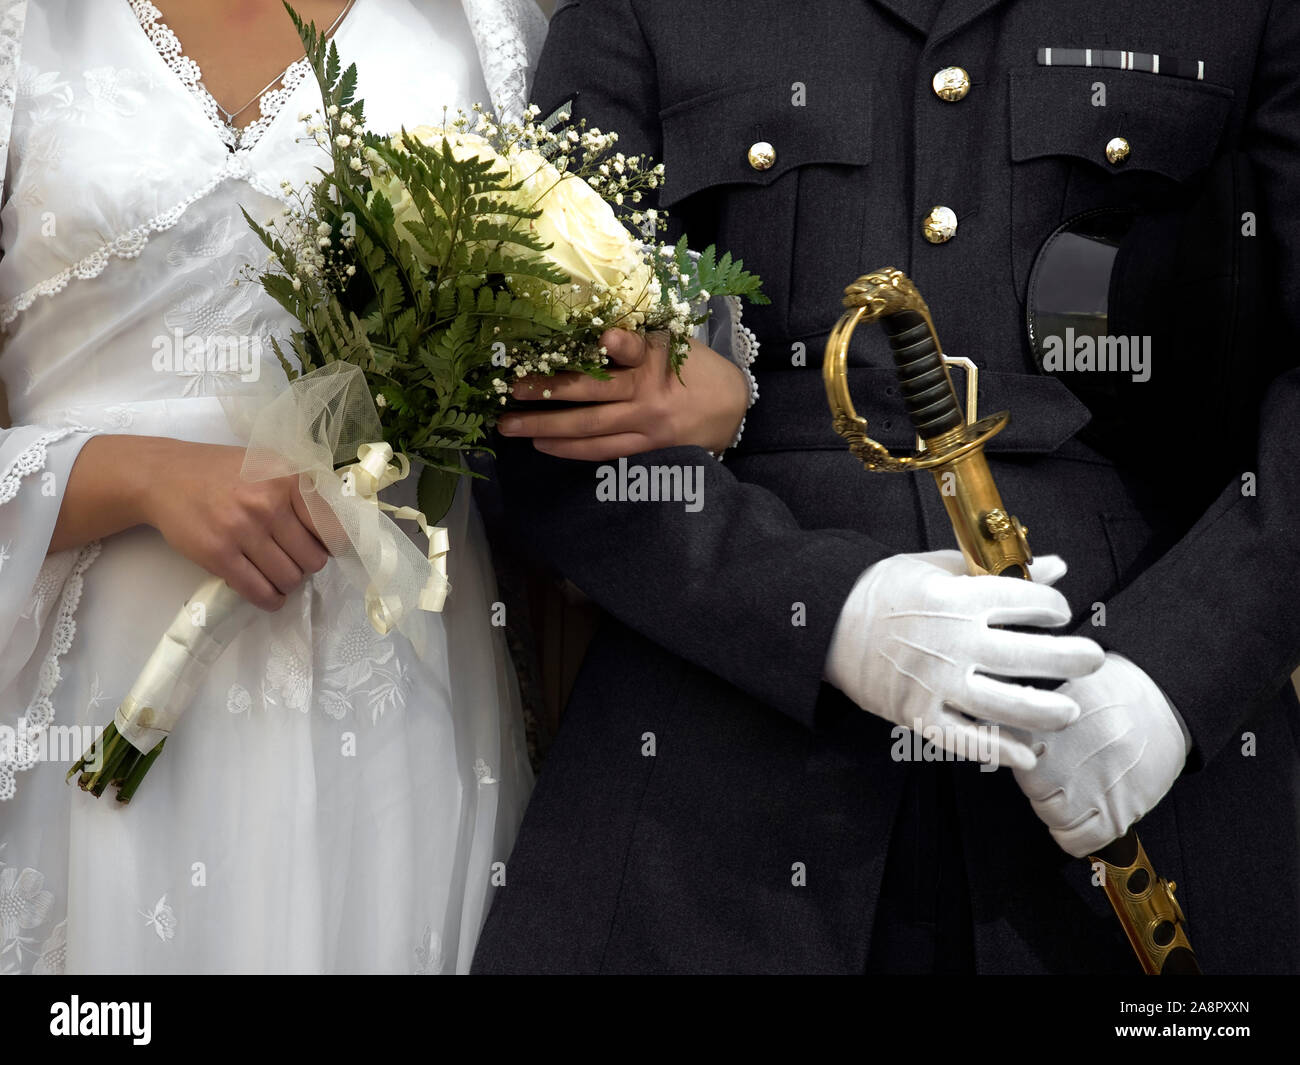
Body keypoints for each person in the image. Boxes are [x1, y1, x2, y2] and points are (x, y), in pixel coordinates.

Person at [473, 0, 1300, 974]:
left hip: (1131, 754)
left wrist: (1175, 674)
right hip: (722, 767)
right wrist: (828, 614)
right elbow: (532, 396)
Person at [0, 0, 751, 974]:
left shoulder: (485, 30)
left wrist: (711, 382)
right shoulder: (29, 26)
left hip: (387, 685)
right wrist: (129, 473)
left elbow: (619, 329)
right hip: (78, 679)